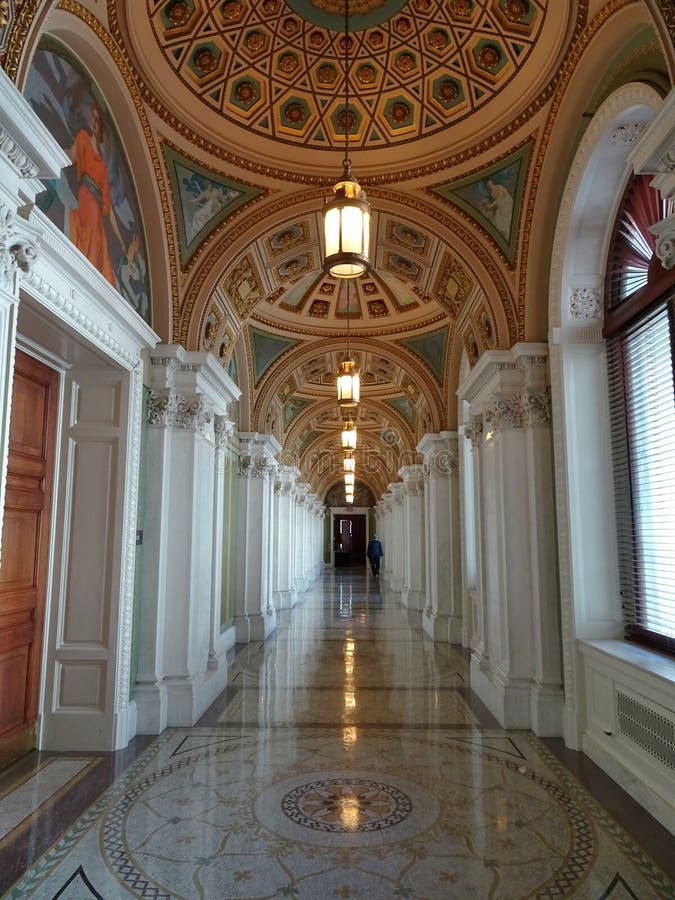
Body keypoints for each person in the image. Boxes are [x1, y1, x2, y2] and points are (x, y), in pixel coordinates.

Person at [68, 102, 127, 287]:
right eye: (92, 117)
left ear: (101, 126)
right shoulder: (83, 138)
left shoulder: (102, 164)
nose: (94, 121)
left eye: (97, 119)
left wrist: (121, 241)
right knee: (88, 250)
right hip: (86, 202)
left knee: (98, 258)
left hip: (96, 214)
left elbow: (109, 211)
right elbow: (70, 156)